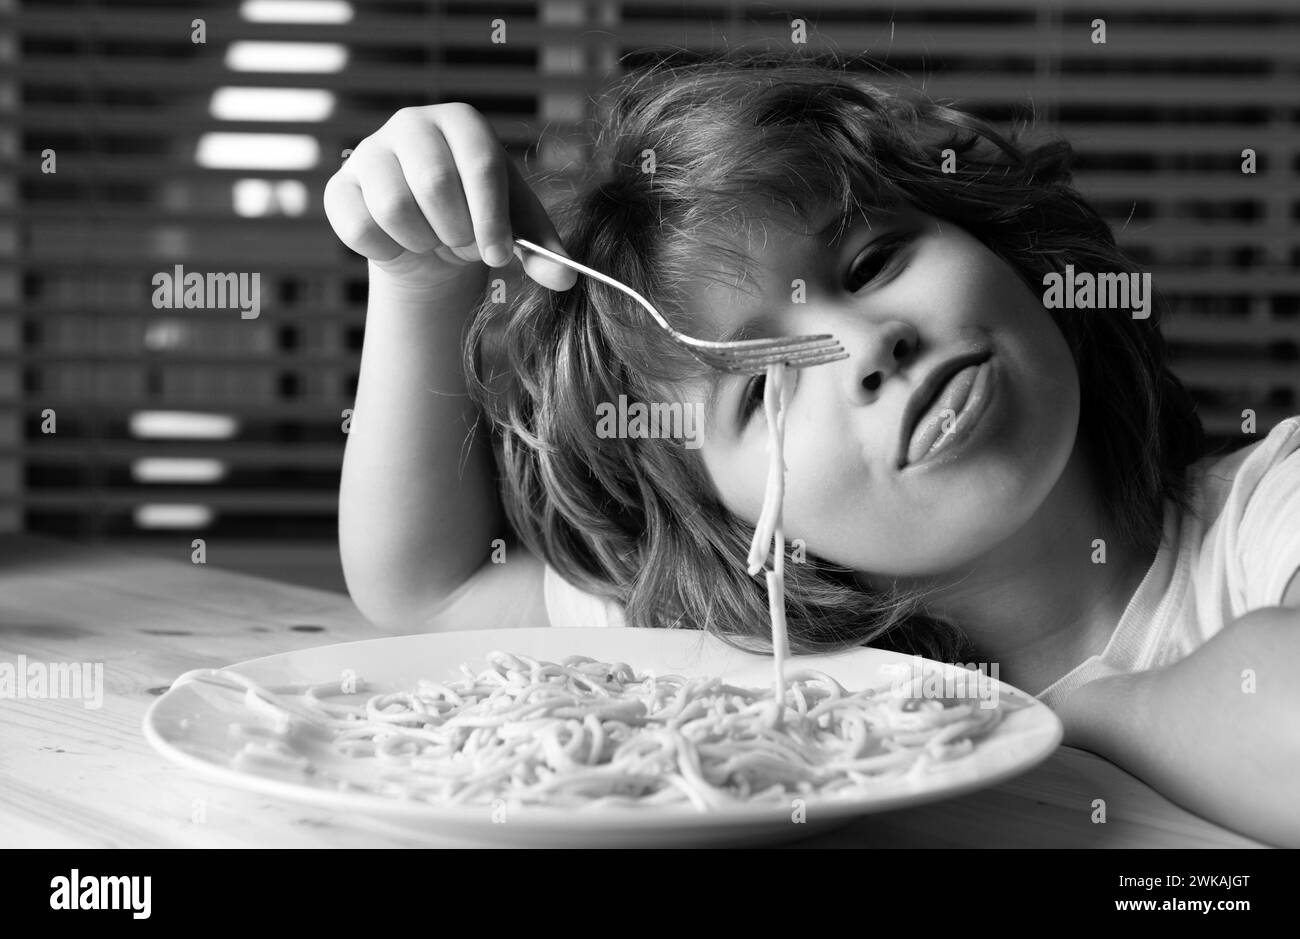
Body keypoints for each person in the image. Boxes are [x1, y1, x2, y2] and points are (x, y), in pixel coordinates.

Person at [325, 51, 1300, 844]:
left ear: (1007, 248)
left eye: (871, 261)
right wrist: (417, 274)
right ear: (734, 524)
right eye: (763, 386)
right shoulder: (774, 654)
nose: (870, 348)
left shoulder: (1268, 510)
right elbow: (432, 589)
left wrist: (1080, 716)